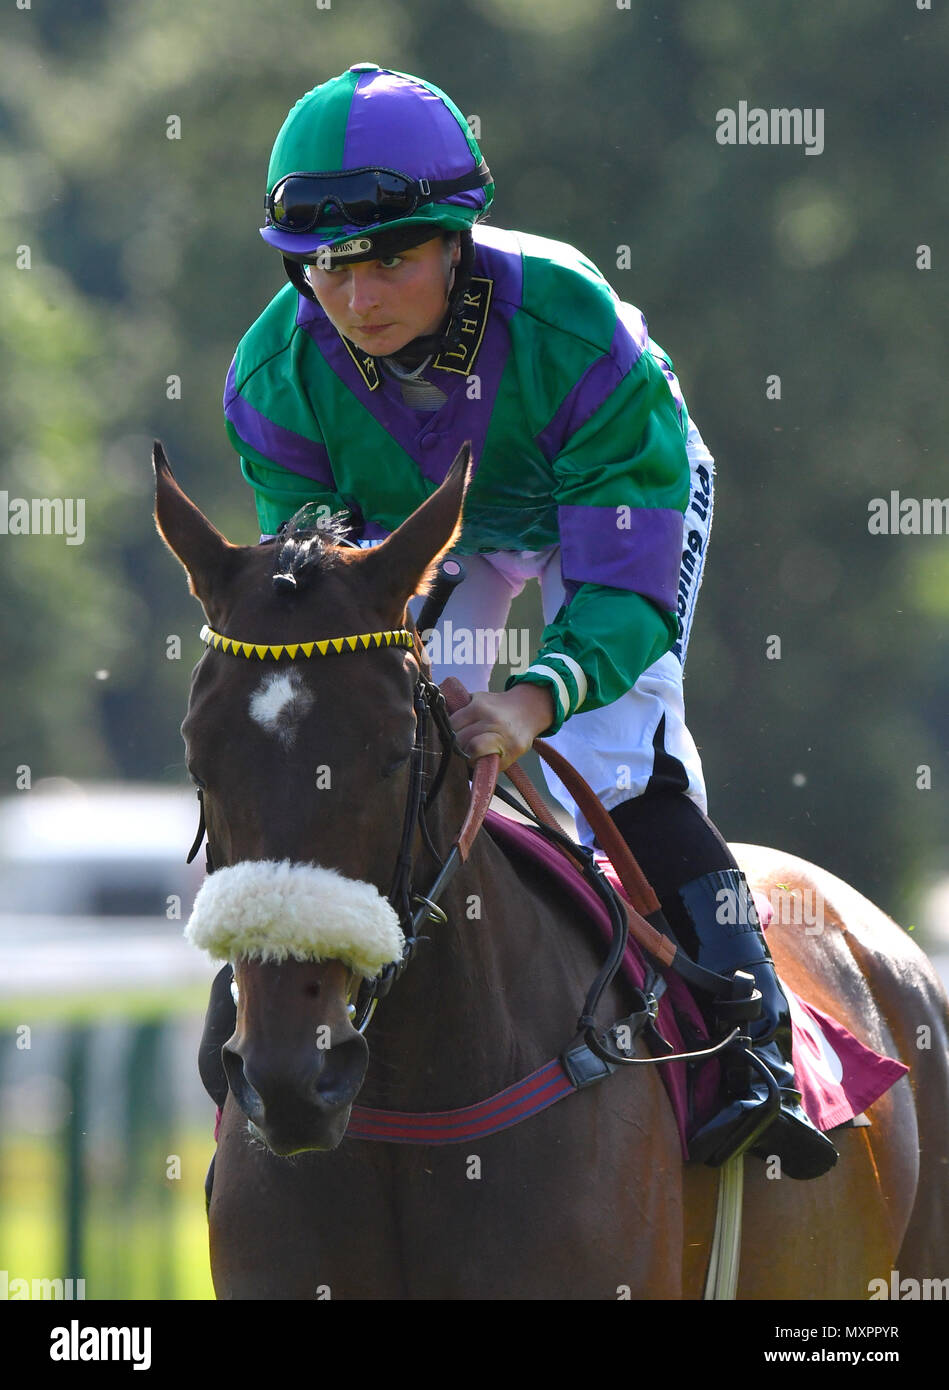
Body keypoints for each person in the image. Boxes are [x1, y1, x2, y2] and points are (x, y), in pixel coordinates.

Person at [220, 62, 837, 1178]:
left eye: (390, 256)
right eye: (327, 265)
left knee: (602, 757)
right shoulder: (274, 377)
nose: (356, 299)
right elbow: (328, 610)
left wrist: (532, 694)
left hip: (599, 509)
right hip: (438, 528)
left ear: (457, 238)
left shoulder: (572, 324)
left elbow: (623, 587)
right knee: (386, 750)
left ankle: (751, 1035)